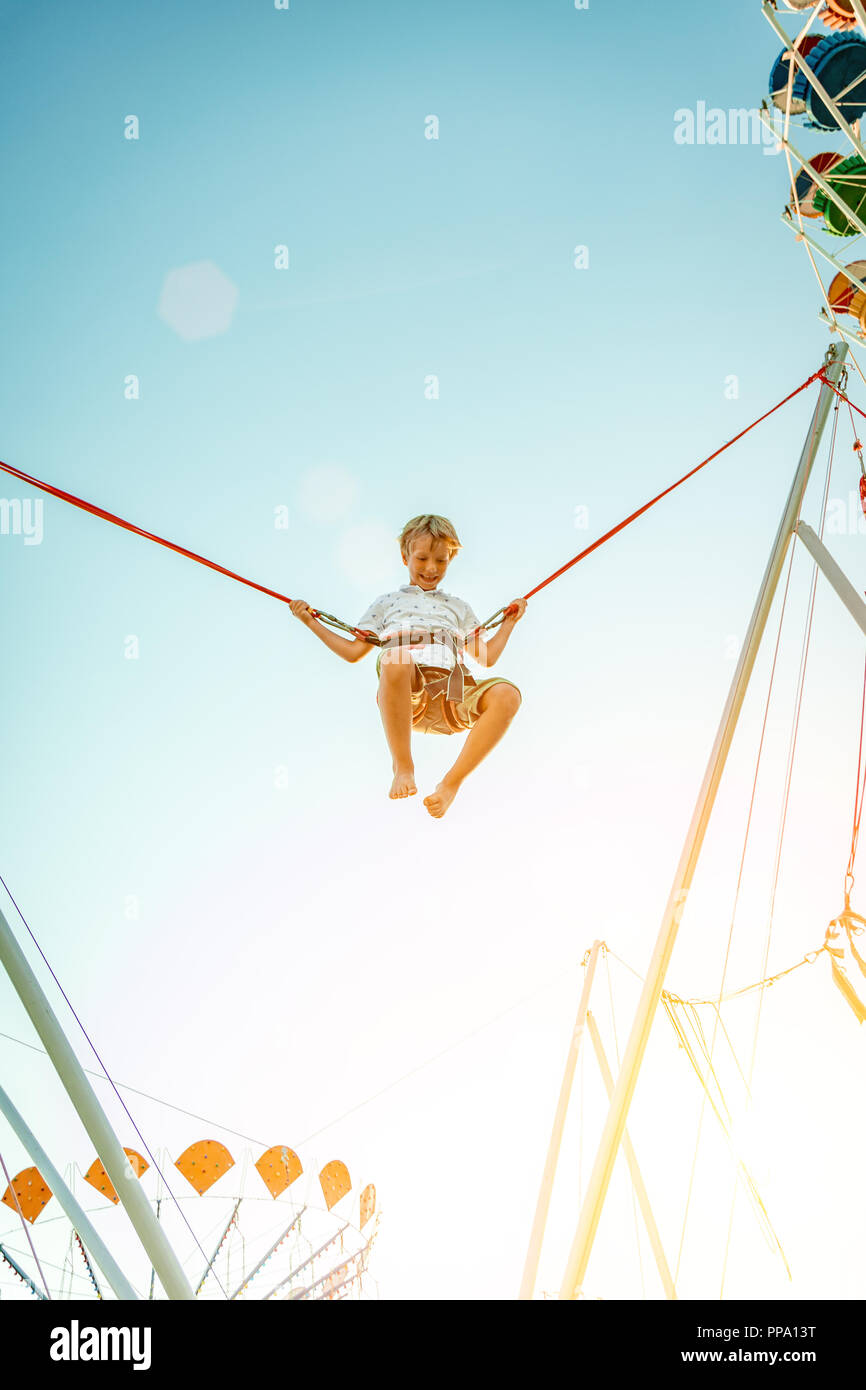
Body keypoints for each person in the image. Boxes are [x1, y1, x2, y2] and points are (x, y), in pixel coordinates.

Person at [290, 513, 525, 818]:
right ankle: (403, 766)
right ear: (405, 557)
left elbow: (486, 656)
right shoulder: (387, 603)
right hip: (409, 694)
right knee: (396, 658)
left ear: (450, 559)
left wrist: (509, 623)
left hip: (453, 696)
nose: (431, 568)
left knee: (508, 694)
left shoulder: (459, 608)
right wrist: (310, 622)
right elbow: (352, 652)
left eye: (441, 560)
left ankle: (451, 784)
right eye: (423, 558)